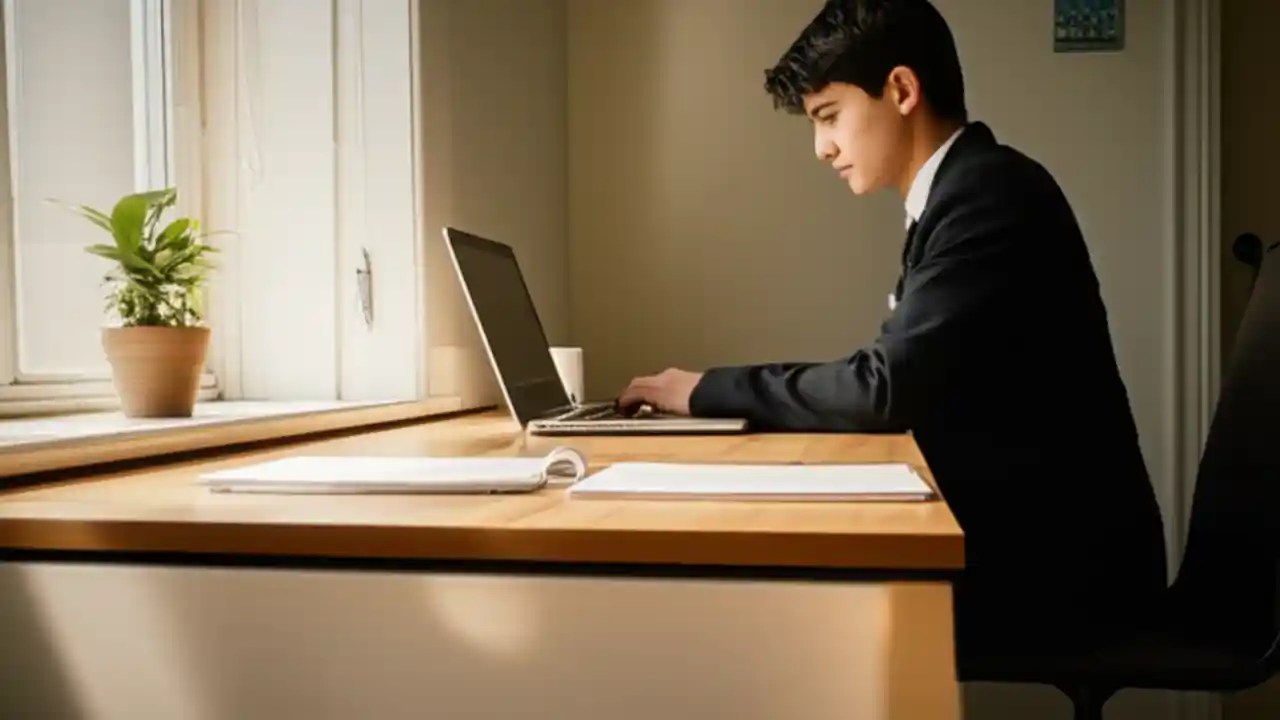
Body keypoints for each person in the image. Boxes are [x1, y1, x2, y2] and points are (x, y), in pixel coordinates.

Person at [617, 0, 1167, 659]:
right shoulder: (965, 191)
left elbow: (884, 387)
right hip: (1046, 542)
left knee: (770, 613)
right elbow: (900, 382)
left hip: (1068, 574)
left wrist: (703, 389)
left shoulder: (986, 196)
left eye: (829, 117)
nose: (821, 147)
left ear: (901, 90)